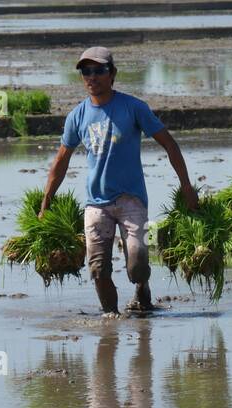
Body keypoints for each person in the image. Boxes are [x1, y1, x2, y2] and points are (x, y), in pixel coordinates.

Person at [40, 46, 198, 315]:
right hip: (96, 204)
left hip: (131, 200)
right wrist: (46, 202)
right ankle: (111, 319)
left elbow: (169, 144)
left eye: (99, 70)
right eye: (86, 71)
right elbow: (61, 161)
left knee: (136, 265)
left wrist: (186, 187)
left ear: (112, 74)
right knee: (99, 269)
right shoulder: (77, 116)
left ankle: (141, 290)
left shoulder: (133, 108)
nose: (92, 77)